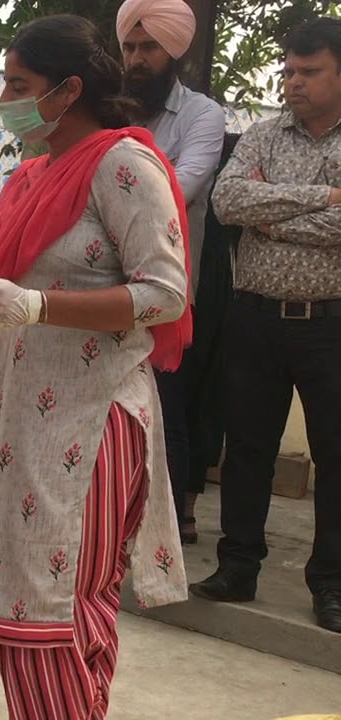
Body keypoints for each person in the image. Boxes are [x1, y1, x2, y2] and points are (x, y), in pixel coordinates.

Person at [0, 15, 191, 718]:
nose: (5, 99)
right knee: (33, 612)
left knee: (57, 613)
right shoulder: (27, 180)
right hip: (19, 433)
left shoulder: (123, 165)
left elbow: (164, 295)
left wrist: (41, 305)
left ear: (68, 90)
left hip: (91, 426)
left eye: (20, 85)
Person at [195, 17, 341, 635]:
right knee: (248, 448)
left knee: (336, 456)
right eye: (288, 71)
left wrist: (272, 213)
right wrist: (326, 197)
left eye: (308, 72)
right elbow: (228, 202)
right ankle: (238, 567)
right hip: (253, 317)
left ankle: (331, 585)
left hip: (329, 324)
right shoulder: (260, 135)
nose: (293, 82)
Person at [117, 0, 225, 546]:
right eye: (131, 47)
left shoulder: (203, 116)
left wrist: (113, 197)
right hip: (105, 289)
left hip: (167, 291)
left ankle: (172, 523)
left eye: (149, 48)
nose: (137, 59)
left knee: (168, 408)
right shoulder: (111, 109)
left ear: (174, 50)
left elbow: (177, 194)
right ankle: (118, 514)